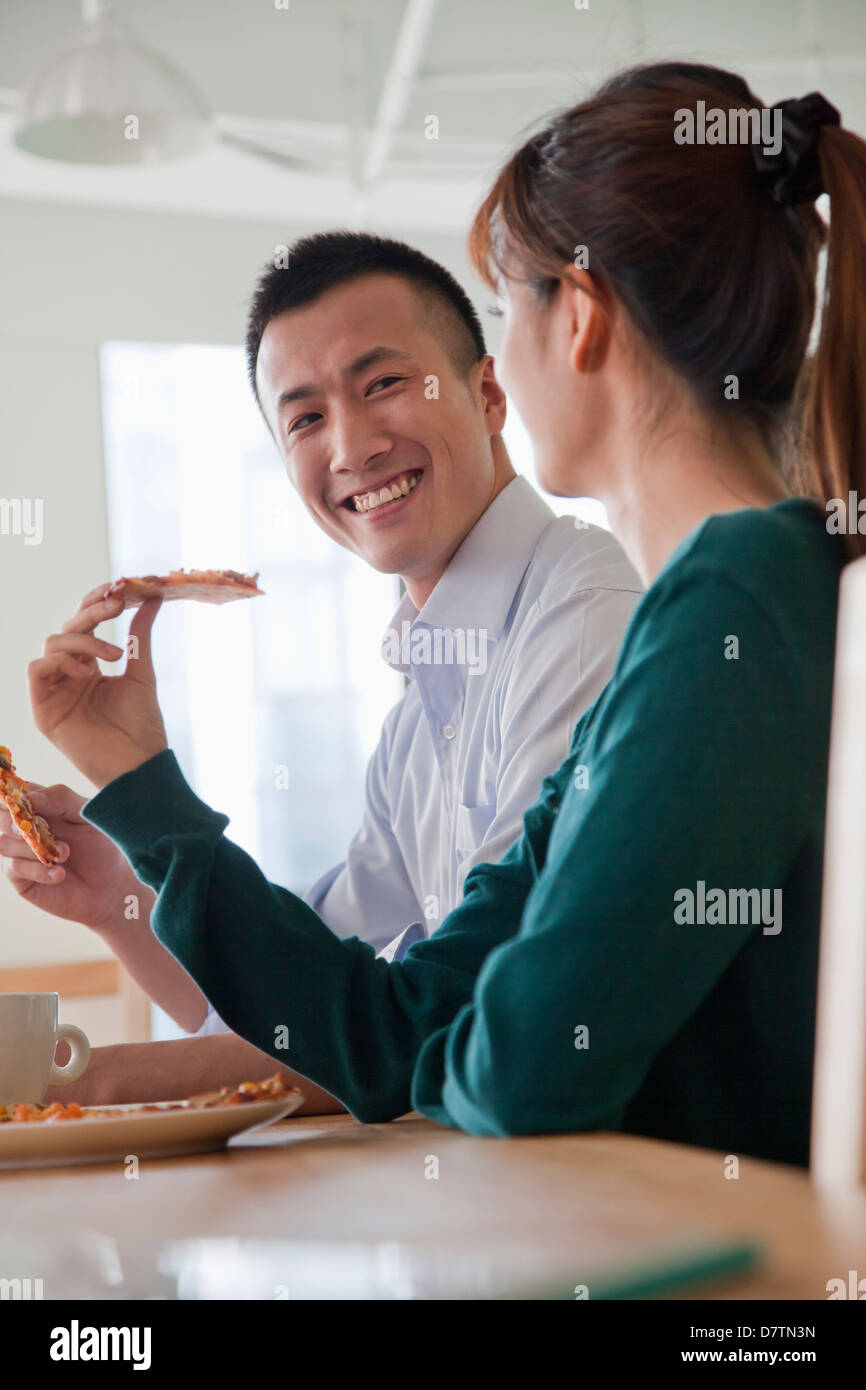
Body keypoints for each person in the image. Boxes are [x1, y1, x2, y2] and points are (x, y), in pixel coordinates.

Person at [22, 61, 866, 1165]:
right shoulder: (702, 610)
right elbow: (380, 1022)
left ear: (579, 320)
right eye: (305, 416)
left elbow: (505, 1064)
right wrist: (139, 798)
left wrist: (439, 1035)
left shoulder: (721, 597)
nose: (353, 443)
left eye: (503, 307)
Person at [1, 233, 640, 1107]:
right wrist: (119, 889)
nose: (351, 447)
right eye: (304, 418)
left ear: (487, 394)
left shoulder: (584, 613)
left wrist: (59, 1088)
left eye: (382, 384)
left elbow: (428, 1031)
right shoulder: (423, 704)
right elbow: (292, 1004)